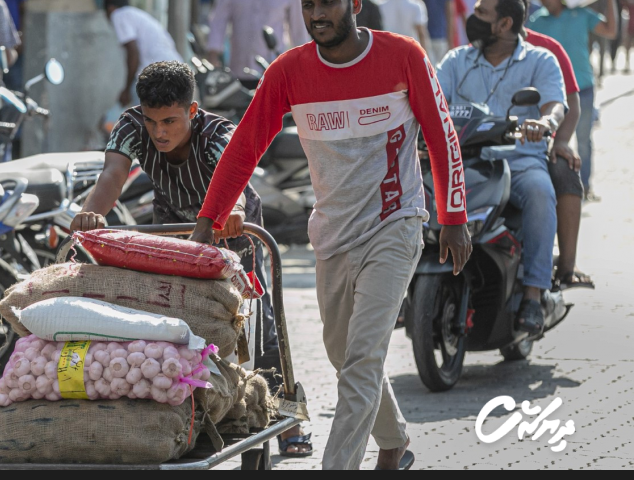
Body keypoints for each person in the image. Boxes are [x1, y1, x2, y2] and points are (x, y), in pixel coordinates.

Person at [190, 0, 471, 470]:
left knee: (360, 360)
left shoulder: (403, 55)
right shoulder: (288, 72)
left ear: (355, 4)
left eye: (327, 4)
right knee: (343, 354)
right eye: (308, 5)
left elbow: (441, 136)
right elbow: (245, 146)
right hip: (333, 234)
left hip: (395, 223)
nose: (316, 14)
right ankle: (395, 440)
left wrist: (454, 217)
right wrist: (206, 222)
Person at [70, 61, 313, 458]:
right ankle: (189, 413)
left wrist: (230, 212)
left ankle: (286, 418)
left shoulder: (219, 133)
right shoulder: (130, 128)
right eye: (151, 121)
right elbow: (112, 176)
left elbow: (235, 177)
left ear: (193, 111)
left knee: (260, 334)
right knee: (169, 326)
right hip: (172, 232)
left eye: (169, 121)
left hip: (233, 234)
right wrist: (91, 215)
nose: (159, 132)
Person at [438, 0, 566, 334]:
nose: (472, 18)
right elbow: (432, 100)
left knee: (541, 193)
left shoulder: (540, 60)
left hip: (520, 160)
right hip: (464, 162)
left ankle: (534, 296)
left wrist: (544, 122)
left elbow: (555, 105)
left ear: (504, 23)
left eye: (481, 13)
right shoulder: (456, 60)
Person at [522, 0, 594, 290]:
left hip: (534, 148)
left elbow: (570, 103)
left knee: (566, 169)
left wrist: (560, 141)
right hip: (481, 148)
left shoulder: (546, 49)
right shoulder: (467, 55)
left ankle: (565, 266)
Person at [529, 0, 617, 199]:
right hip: (551, 95)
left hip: (583, 87)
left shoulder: (582, 15)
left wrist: (612, 2)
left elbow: (611, 31)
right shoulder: (536, 21)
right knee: (553, 143)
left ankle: (584, 186)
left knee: (583, 140)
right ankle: (558, 189)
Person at [104, 0, 182, 108]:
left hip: (158, 74)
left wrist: (127, 89)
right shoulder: (136, 14)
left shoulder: (118, 15)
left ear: (110, 8)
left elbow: (132, 52)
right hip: (174, 69)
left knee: (146, 117)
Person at [206, 0, 309, 82]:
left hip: (273, 71)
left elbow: (299, 31)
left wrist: (304, 68)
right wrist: (213, 56)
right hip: (239, 70)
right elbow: (218, 21)